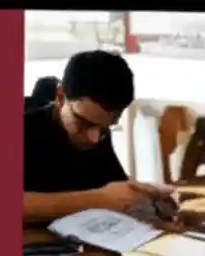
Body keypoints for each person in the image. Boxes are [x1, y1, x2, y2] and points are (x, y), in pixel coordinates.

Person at [22, 50, 178, 226]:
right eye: (83, 122)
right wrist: (99, 200)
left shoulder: (98, 134)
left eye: (105, 128)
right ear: (60, 97)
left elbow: (114, 186)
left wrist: (150, 199)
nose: (94, 139)